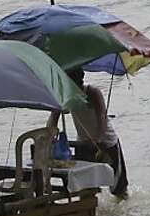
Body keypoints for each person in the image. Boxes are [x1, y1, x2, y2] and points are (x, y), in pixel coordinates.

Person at [48, 67, 129, 197]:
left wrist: (98, 138)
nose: (74, 87)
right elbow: (53, 117)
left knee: (119, 188)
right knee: (85, 188)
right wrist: (50, 136)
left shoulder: (92, 92)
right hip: (84, 143)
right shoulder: (65, 96)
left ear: (81, 80)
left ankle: (122, 215)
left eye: (76, 83)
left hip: (107, 142)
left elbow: (102, 116)